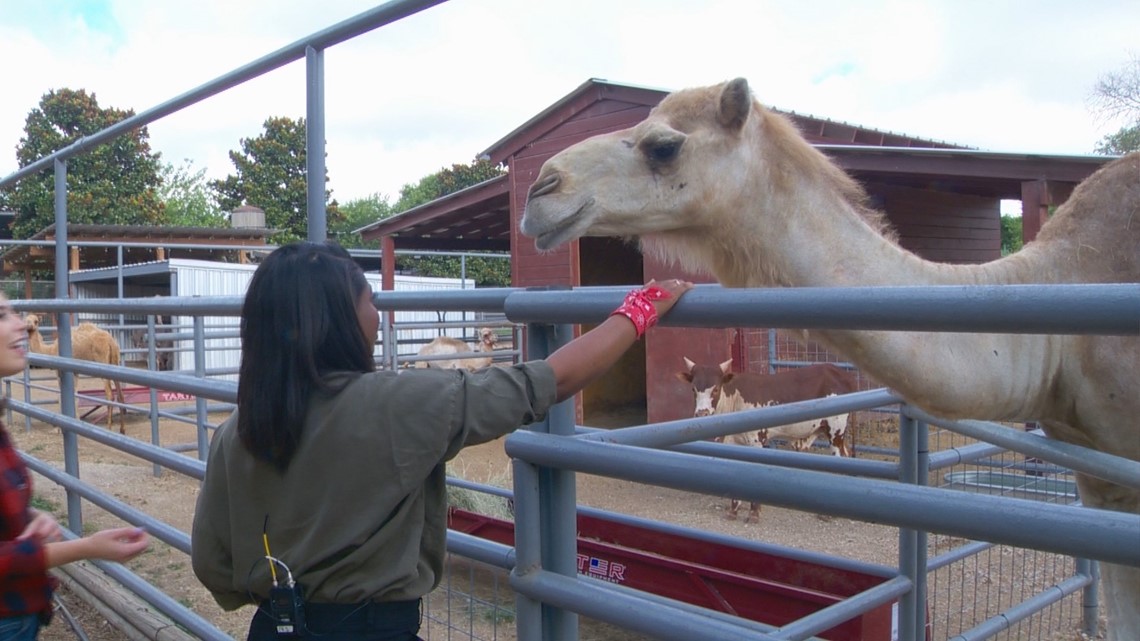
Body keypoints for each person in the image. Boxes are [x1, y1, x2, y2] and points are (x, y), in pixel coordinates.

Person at [191, 240, 692, 641]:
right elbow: (549, 381)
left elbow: (214, 567)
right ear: (339, 320)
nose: (377, 314)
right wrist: (641, 308)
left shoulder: (237, 431)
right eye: (369, 300)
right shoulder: (402, 404)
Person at [0, 295, 150, 641]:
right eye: (3, 315)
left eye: (19, 315)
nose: (21, 324)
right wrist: (87, 548)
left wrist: (31, 516)